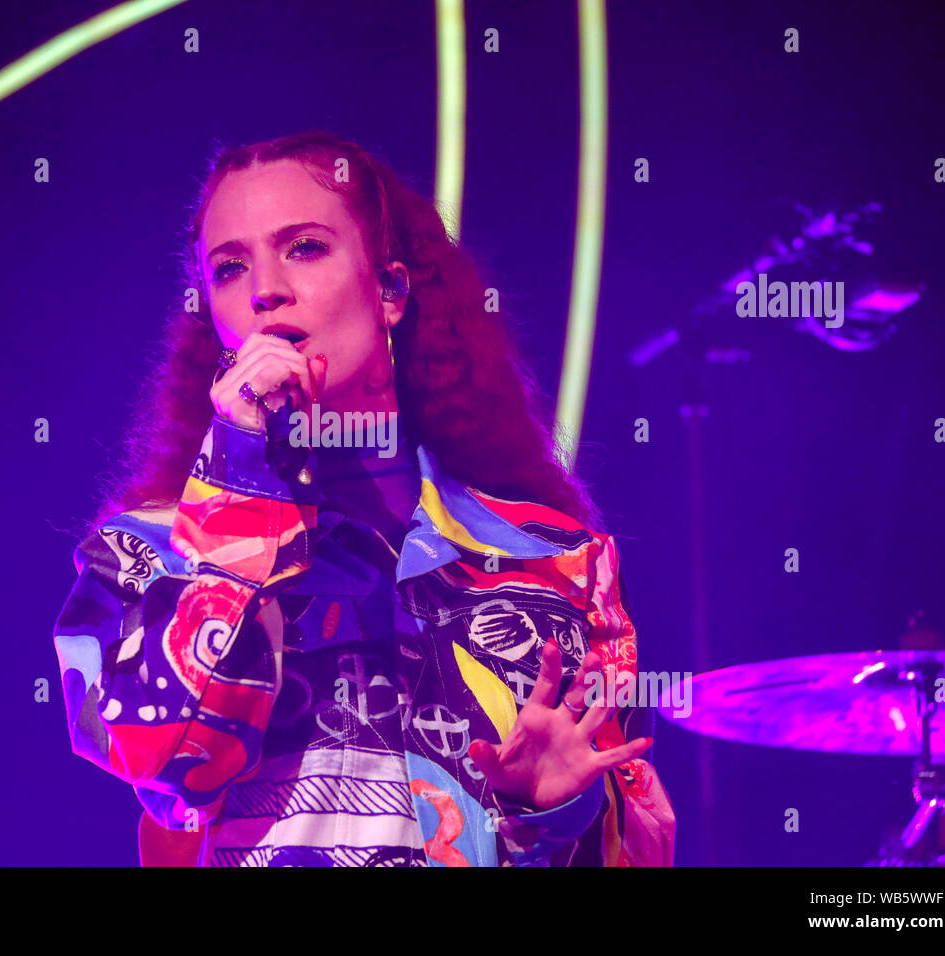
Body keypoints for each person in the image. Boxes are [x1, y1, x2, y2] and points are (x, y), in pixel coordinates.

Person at [52, 129, 676, 866]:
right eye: (228, 267)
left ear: (389, 292)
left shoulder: (558, 563)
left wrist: (557, 813)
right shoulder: (145, 555)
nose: (265, 290)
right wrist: (245, 469)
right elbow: (169, 759)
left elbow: (638, 846)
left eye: (305, 248)